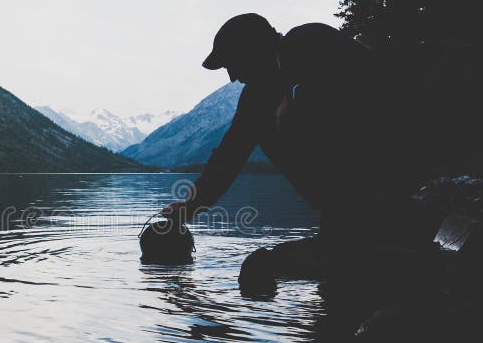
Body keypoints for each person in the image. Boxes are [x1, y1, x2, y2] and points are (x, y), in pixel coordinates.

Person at [159, 14, 433, 289]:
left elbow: (375, 84)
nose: (232, 77)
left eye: (233, 63)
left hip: (387, 169)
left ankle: (381, 218)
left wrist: (301, 95)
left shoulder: (308, 40)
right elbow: (228, 158)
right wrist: (189, 208)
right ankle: (345, 226)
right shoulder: (256, 98)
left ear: (253, 50)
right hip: (342, 204)